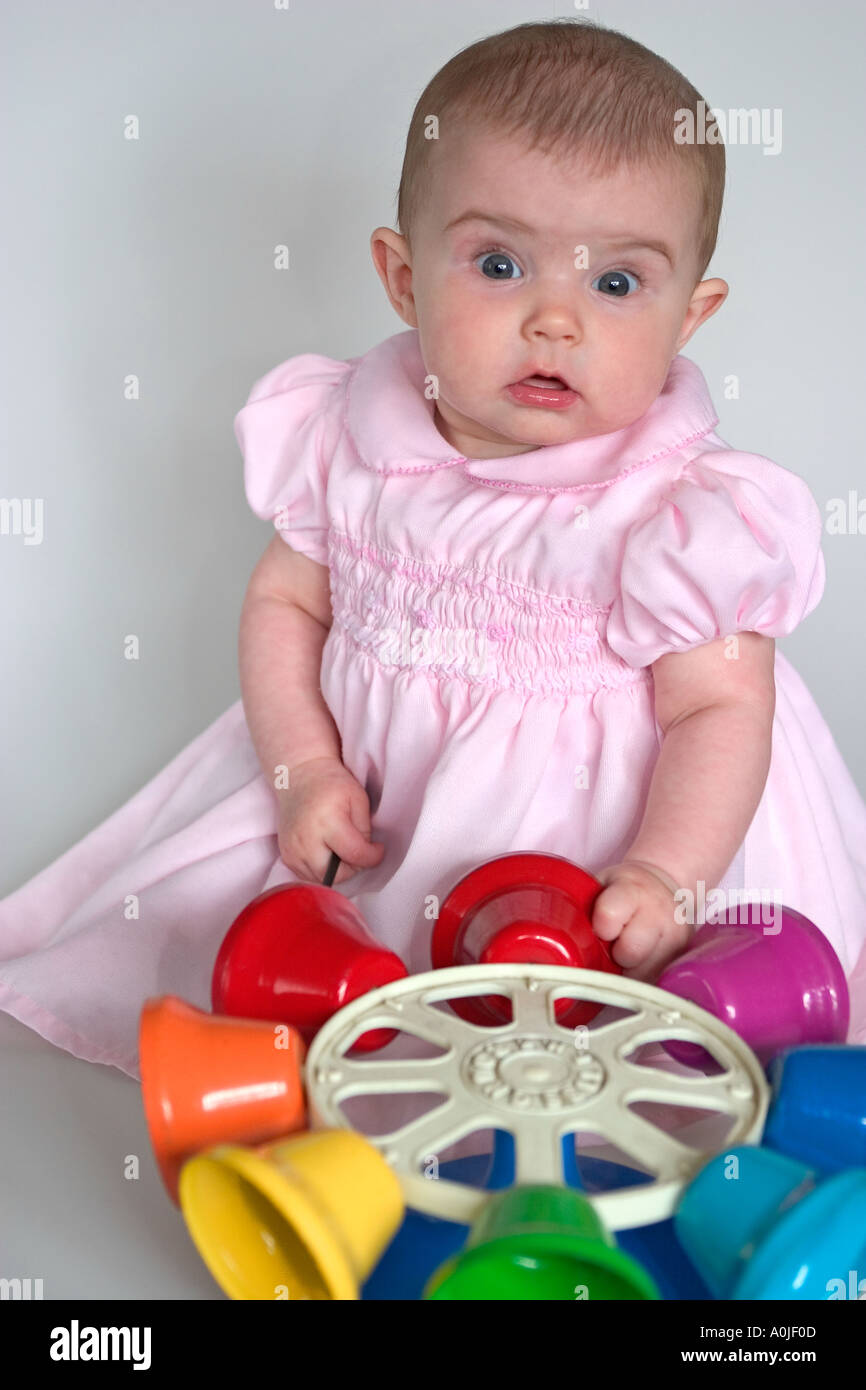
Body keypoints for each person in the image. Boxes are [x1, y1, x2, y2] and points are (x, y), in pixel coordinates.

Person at [2, 19, 864, 1086]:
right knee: (279, 978)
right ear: (403, 278)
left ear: (690, 315)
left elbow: (719, 710)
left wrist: (667, 874)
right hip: (375, 812)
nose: (553, 320)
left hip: (611, 856)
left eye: (615, 284)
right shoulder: (347, 442)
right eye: (499, 264)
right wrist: (303, 769)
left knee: (625, 1051)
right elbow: (285, 606)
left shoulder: (680, 517)